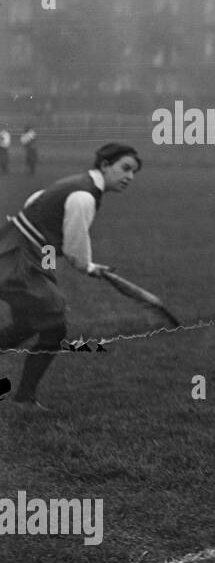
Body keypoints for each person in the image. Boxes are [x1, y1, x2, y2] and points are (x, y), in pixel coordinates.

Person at [0, 143, 141, 411]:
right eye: (125, 168)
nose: (129, 177)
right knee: (54, 327)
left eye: (133, 172)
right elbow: (76, 251)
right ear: (104, 165)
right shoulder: (85, 196)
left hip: (13, 250)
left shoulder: (76, 183)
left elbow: (35, 201)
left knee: (29, 324)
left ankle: (24, 398)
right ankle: (24, 400)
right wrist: (89, 267)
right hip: (16, 259)